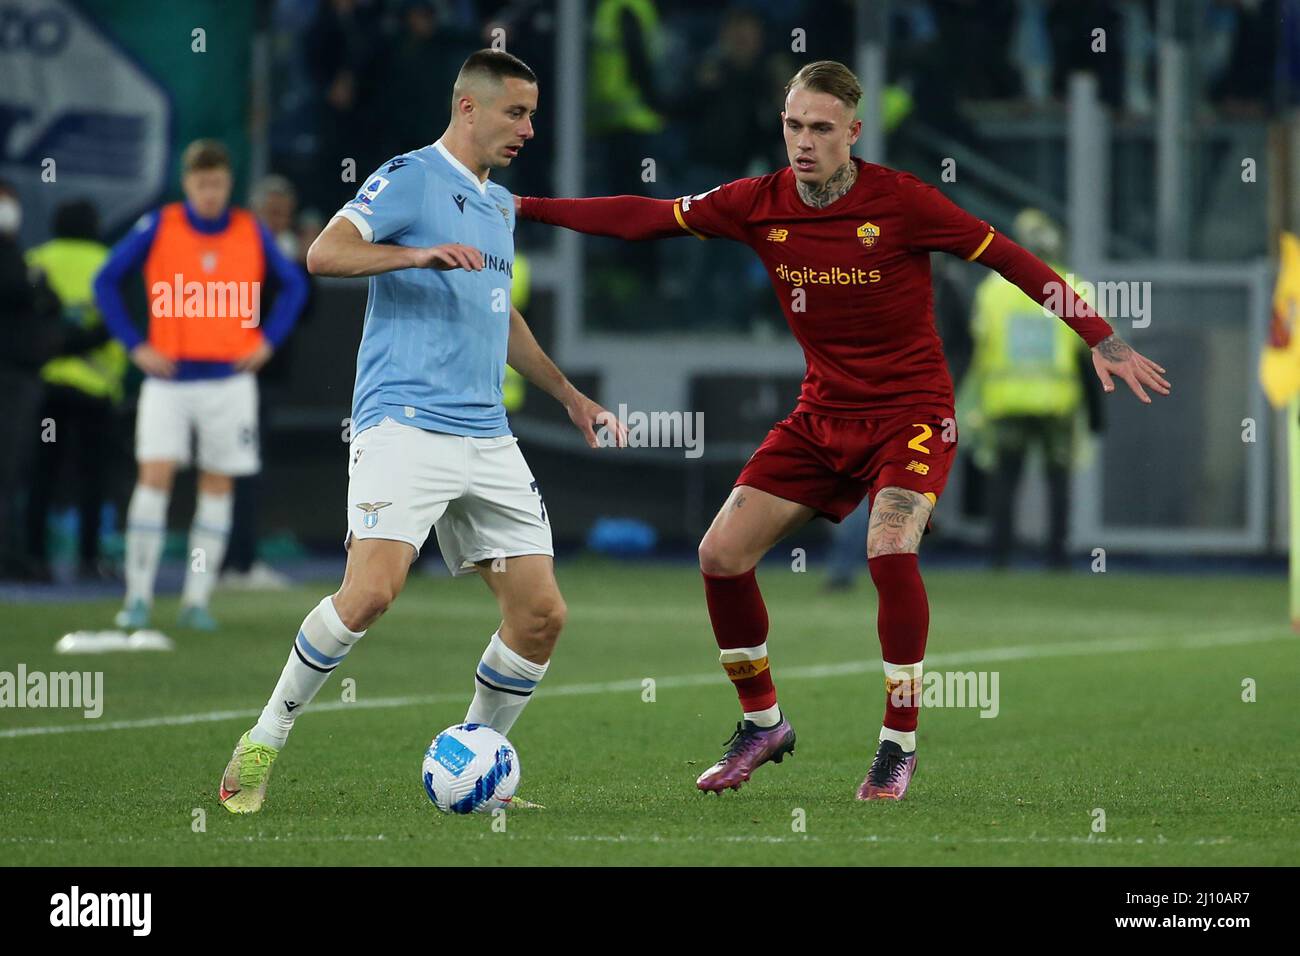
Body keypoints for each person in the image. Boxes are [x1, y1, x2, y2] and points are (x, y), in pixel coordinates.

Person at [516, 60, 1170, 801]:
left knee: (888, 550)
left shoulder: (903, 202)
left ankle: (897, 746)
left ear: (853, 133)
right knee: (720, 554)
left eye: (821, 128)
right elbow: (644, 217)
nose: (803, 141)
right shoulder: (756, 203)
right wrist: (525, 207)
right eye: (794, 125)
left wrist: (1100, 336)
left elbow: (1013, 260)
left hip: (912, 416)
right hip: (822, 417)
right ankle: (763, 725)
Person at [217, 50, 624, 815]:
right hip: (404, 423)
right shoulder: (408, 175)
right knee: (370, 594)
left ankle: (473, 761)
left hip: (487, 434)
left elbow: (501, 319)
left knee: (541, 616)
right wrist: (413, 253)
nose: (529, 129)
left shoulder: (500, 206)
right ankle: (267, 735)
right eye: (517, 113)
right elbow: (323, 252)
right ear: (468, 107)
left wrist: (571, 396)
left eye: (533, 114)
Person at [94, 139, 308, 631]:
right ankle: (138, 596)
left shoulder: (249, 229)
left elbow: (294, 284)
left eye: (217, 183)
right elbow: (105, 280)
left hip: (230, 382)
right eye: (201, 183)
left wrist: (268, 340)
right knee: (154, 478)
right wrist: (134, 344)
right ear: (187, 183)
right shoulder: (160, 225)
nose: (209, 192)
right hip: (167, 380)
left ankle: (195, 598)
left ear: (228, 183)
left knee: (218, 483)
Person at [966, 208, 1102, 569]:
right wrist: (1096, 409)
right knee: (1058, 480)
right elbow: (1088, 349)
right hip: (1057, 401)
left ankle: (998, 557)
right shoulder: (1073, 286)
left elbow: (980, 342)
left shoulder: (993, 290)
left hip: (1004, 400)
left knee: (1004, 480)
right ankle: (1057, 558)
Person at [25, 200, 126, 581]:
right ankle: (89, 559)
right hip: (97, 390)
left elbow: (28, 319)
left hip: (49, 388)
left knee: (42, 475)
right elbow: (119, 320)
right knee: (93, 478)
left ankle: (35, 557)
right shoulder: (110, 262)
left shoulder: (38, 259)